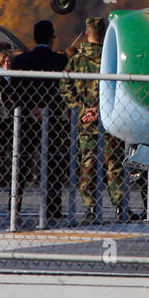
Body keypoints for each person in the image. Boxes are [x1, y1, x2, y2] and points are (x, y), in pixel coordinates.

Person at [61, 16, 132, 223]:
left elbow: (65, 87)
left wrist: (82, 108)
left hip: (86, 122)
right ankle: (120, 207)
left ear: (87, 34)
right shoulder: (114, 60)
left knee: (88, 164)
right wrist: (102, 109)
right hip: (111, 119)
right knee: (114, 164)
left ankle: (91, 208)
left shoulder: (76, 61)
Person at [9, 20, 69, 224]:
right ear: (51, 38)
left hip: (26, 119)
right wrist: (45, 107)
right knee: (53, 163)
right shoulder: (59, 61)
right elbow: (62, 90)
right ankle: (53, 207)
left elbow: (14, 91)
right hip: (51, 117)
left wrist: (29, 108)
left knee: (22, 163)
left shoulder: (21, 61)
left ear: (34, 38)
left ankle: (14, 206)